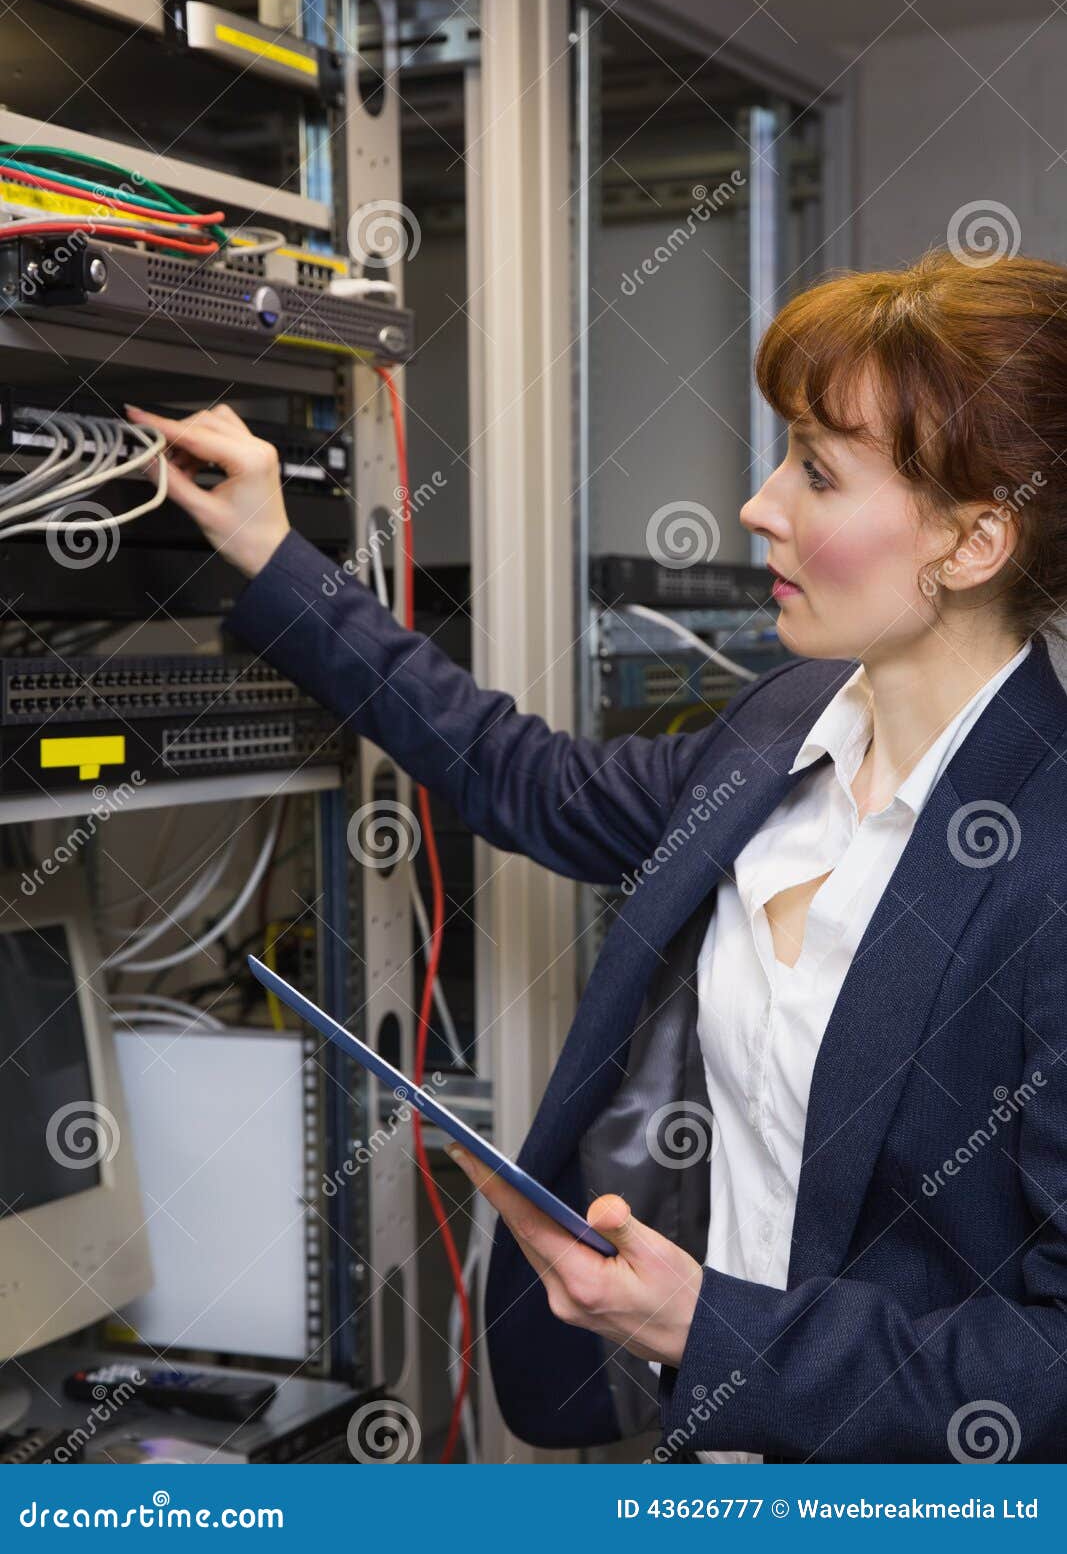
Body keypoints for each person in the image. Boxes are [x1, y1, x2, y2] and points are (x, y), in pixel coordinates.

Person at [125, 245, 1067, 1463]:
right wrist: (273, 554)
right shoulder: (782, 723)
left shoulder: (1041, 860)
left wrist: (710, 1331)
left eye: (817, 475)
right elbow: (530, 780)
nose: (757, 504)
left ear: (972, 540)